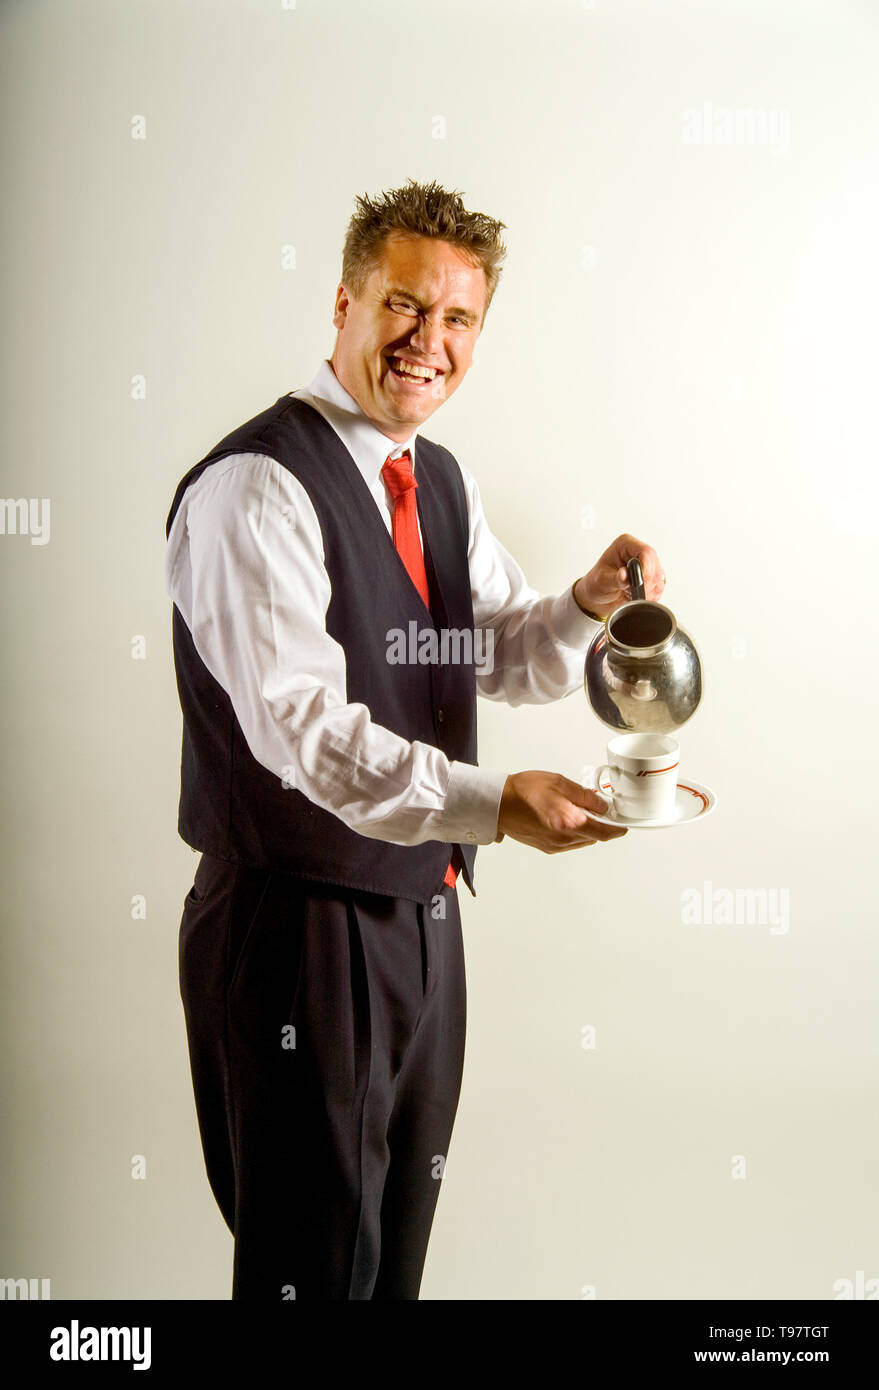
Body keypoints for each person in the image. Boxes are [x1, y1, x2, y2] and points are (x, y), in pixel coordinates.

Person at [163, 178, 666, 1301]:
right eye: (403, 305)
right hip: (295, 919)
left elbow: (492, 649)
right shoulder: (256, 486)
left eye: (458, 320)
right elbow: (306, 735)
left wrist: (582, 603)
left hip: (424, 914)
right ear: (344, 301)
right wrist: (497, 805)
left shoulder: (435, 475)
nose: (426, 342)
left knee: (390, 1257)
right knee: (312, 1263)